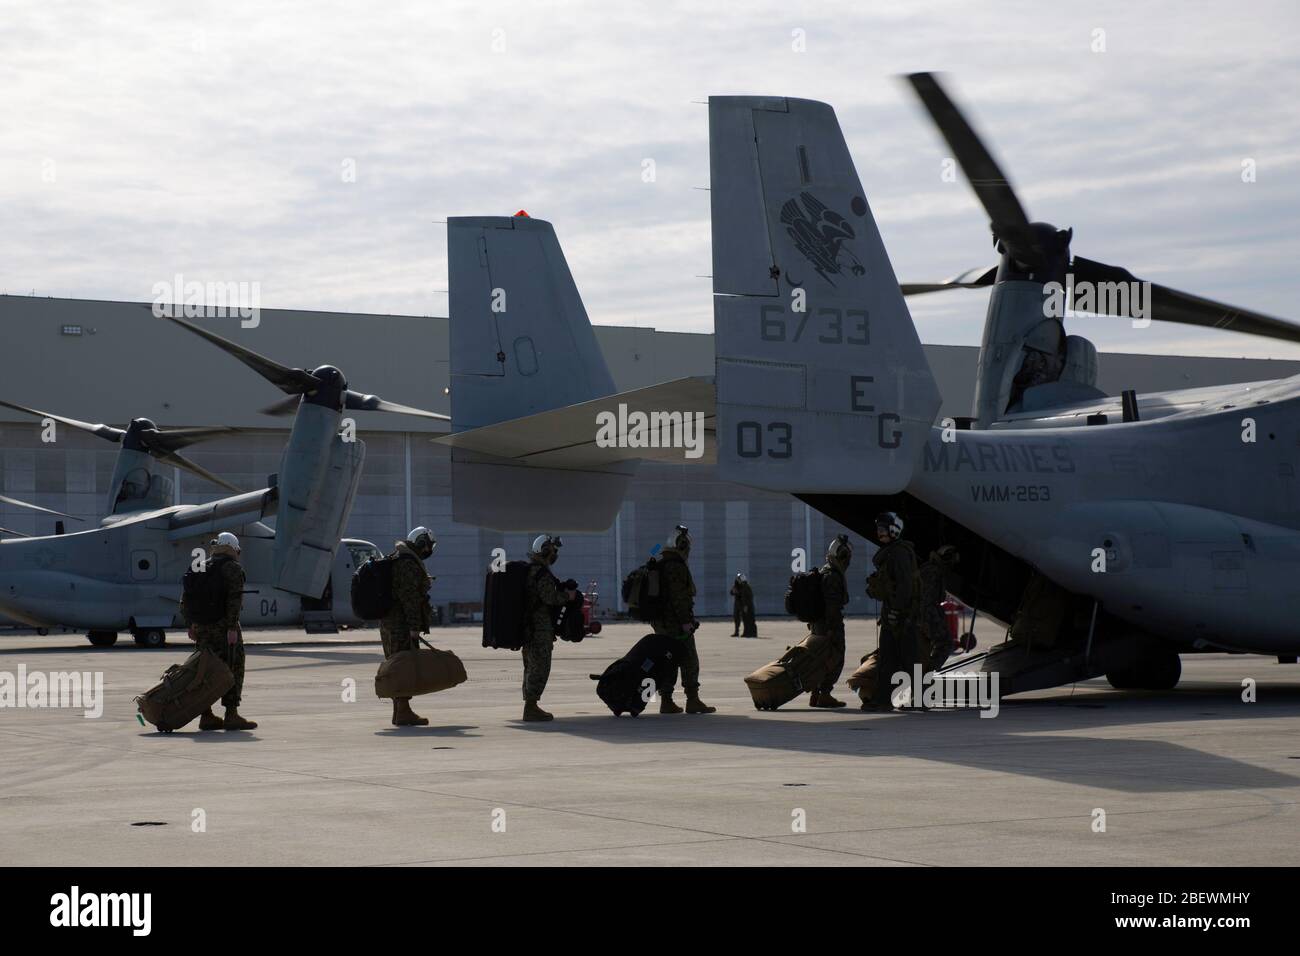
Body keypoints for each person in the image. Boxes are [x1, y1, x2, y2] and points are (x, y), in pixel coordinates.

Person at [184, 531, 256, 731]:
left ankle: (206, 715)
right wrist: (232, 627)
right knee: (233, 666)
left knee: (204, 670)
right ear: (233, 548)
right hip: (223, 628)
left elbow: (186, 598)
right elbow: (234, 600)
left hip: (201, 628)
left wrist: (191, 624)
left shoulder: (199, 565)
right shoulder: (232, 568)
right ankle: (231, 714)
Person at [652, 525, 716, 714]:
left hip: (661, 623)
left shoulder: (661, 563)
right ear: (681, 546)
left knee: (668, 659)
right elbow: (679, 598)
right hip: (675, 624)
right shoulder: (676, 567)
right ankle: (693, 699)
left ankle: (667, 700)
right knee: (689, 659)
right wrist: (686, 622)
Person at [379, 527, 437, 727]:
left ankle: (400, 711)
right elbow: (410, 598)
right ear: (421, 543)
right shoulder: (408, 563)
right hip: (400, 624)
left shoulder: (399, 558)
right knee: (403, 666)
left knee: (397, 666)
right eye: (429, 545)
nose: (430, 549)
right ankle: (403, 711)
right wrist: (414, 626)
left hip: (390, 622)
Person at [865, 511, 918, 712]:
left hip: (902, 616)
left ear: (894, 530)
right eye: (878, 529)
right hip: (893, 614)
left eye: (883, 529)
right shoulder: (891, 552)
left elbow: (905, 585)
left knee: (908, 659)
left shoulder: (899, 553)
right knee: (889, 658)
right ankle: (884, 699)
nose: (879, 533)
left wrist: (897, 611)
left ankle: (918, 698)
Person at [521, 534, 577, 722]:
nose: (555, 554)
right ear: (545, 551)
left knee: (530, 666)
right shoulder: (541, 573)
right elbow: (548, 598)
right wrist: (567, 597)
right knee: (540, 666)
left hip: (530, 628)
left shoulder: (531, 570)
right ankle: (531, 707)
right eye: (553, 550)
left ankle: (530, 704)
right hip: (540, 629)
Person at [809, 534, 851, 708]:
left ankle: (815, 694)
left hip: (818, 623)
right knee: (836, 657)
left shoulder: (825, 570)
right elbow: (832, 606)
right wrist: (833, 629)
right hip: (829, 624)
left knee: (820, 658)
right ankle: (825, 694)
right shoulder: (833, 575)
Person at [918, 545, 960, 674]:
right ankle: (928, 672)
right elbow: (926, 600)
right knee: (945, 643)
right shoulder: (934, 572)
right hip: (927, 614)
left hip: (920, 614)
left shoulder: (927, 568)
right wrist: (928, 621)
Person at [730, 572, 757, 637]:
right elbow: (731, 592)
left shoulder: (746, 587)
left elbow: (748, 597)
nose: (738, 580)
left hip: (744, 604)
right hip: (737, 604)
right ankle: (737, 632)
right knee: (737, 619)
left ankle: (748, 632)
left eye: (739, 579)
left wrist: (746, 606)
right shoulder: (736, 586)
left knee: (747, 619)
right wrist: (733, 591)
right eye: (738, 579)